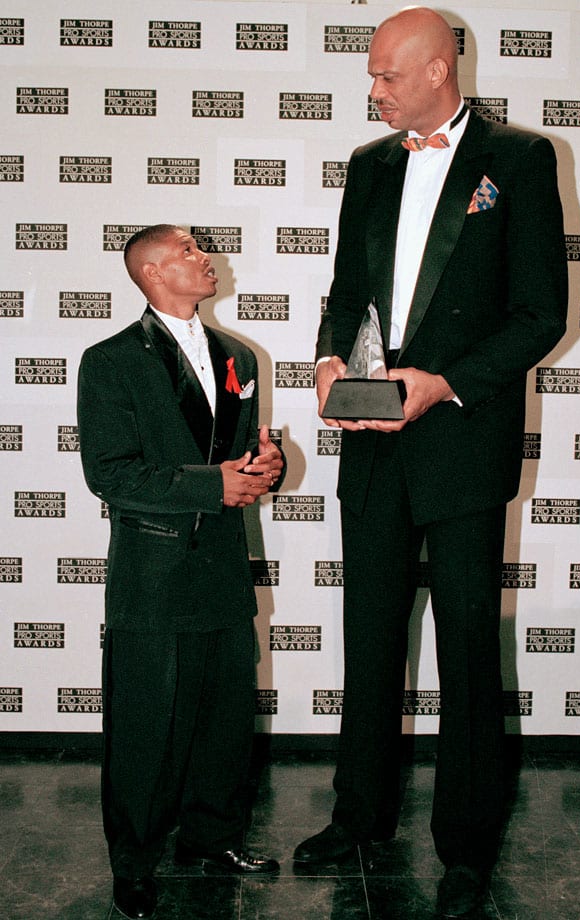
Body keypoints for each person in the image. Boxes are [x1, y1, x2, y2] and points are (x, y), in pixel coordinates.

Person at [294, 7, 567, 918]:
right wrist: (332, 358)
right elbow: (343, 293)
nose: (372, 91)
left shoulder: (520, 161)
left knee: (464, 653)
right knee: (367, 641)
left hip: (459, 439)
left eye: (386, 75)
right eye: (371, 76)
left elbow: (539, 315)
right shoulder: (369, 167)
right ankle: (359, 816)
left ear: (441, 71)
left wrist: (442, 382)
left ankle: (466, 849)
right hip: (370, 445)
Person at [77, 224, 285, 920]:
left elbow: (241, 459)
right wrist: (212, 487)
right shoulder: (109, 361)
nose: (206, 257)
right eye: (190, 250)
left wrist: (266, 473)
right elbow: (109, 474)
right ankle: (133, 863)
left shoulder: (238, 355)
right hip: (154, 572)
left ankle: (213, 837)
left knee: (225, 718)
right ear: (153, 271)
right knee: (144, 725)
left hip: (223, 569)